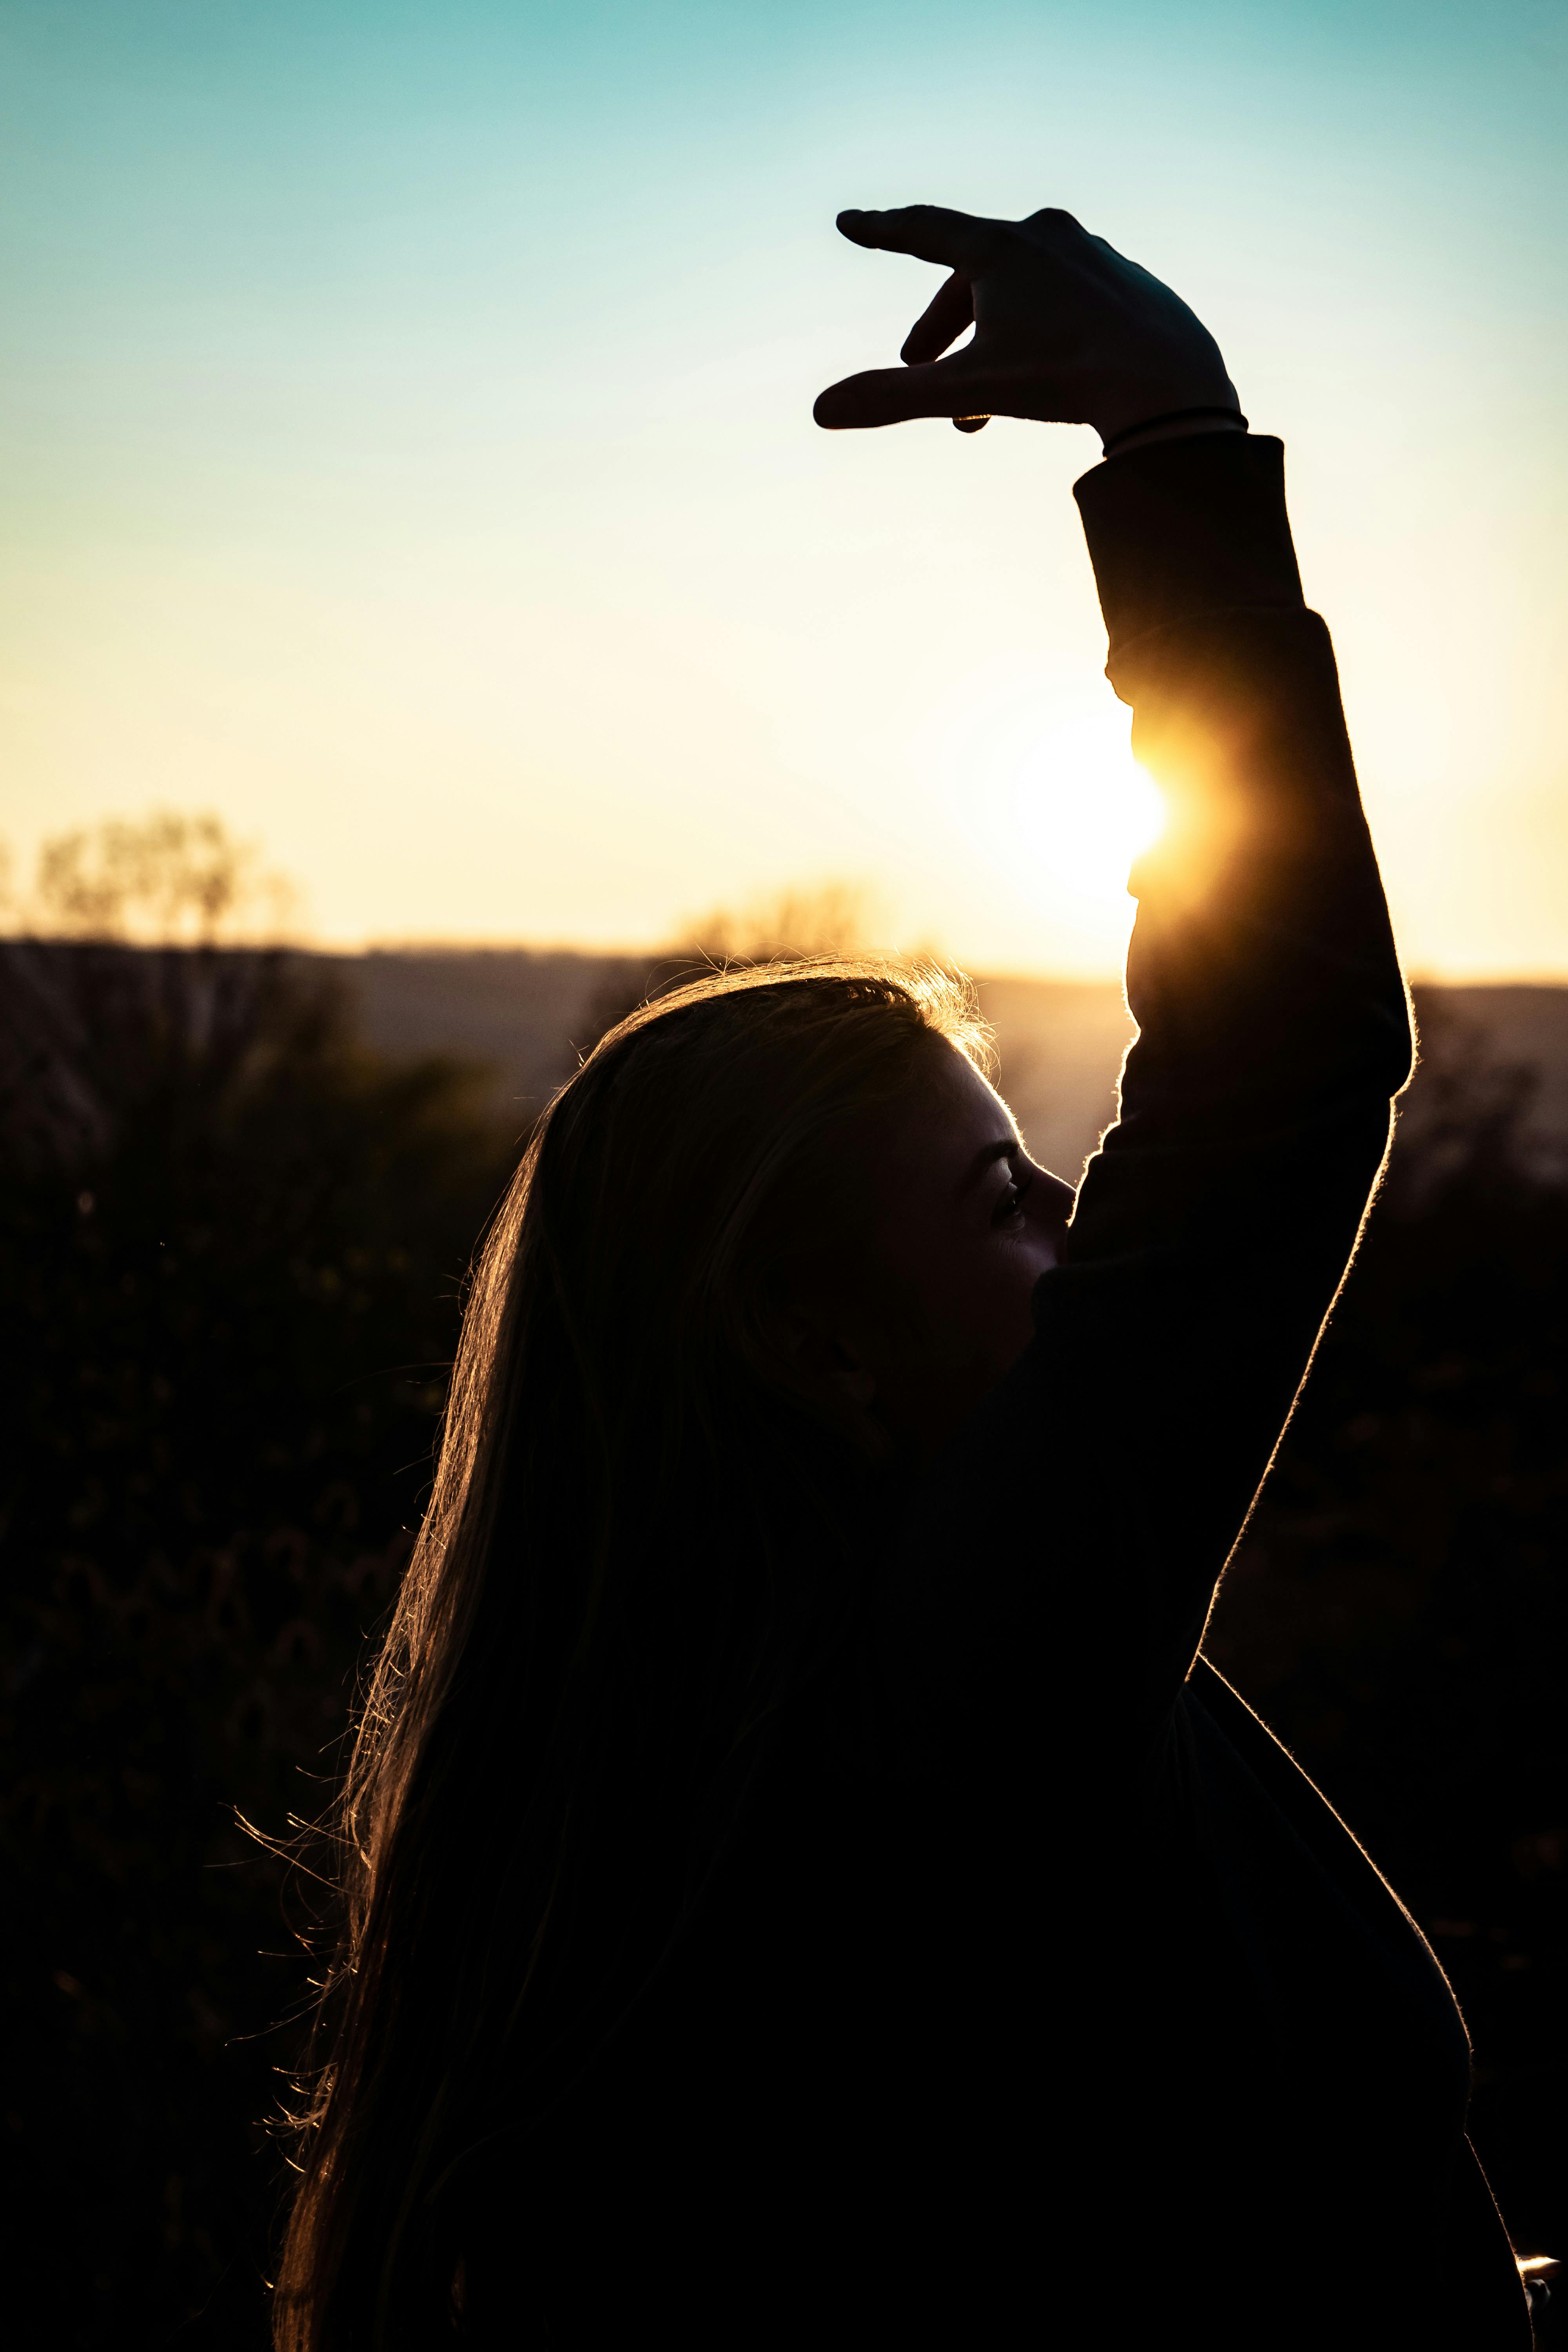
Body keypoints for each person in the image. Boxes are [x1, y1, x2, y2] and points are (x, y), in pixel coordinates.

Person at [272, 207, 1535, 2350]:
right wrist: (1170, 434)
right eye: (994, 1199)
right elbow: (1273, 1077)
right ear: (807, 1344)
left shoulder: (716, 1755)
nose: (1075, 1226)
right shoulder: (963, 1690)